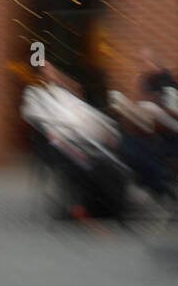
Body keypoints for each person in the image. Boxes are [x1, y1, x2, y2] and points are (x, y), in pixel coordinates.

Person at [22, 62, 128, 219]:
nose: (51, 73)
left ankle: (105, 205)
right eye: (47, 70)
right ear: (38, 75)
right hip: (56, 144)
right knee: (89, 164)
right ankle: (86, 205)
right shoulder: (34, 94)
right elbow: (33, 116)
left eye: (52, 70)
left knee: (109, 162)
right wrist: (56, 130)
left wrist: (107, 128)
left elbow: (85, 112)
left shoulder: (61, 93)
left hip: (80, 140)